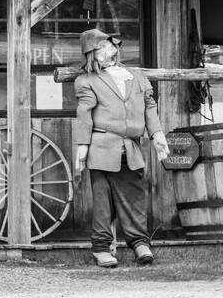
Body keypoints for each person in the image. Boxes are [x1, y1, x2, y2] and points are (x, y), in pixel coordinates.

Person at [73, 28, 170, 268]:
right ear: (91, 54)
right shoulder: (86, 80)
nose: (109, 50)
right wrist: (82, 146)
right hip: (102, 147)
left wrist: (157, 135)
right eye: (102, 47)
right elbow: (84, 114)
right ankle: (101, 248)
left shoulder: (135, 76)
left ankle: (139, 243)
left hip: (131, 148)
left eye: (110, 45)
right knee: (103, 201)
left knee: (135, 198)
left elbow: (149, 106)